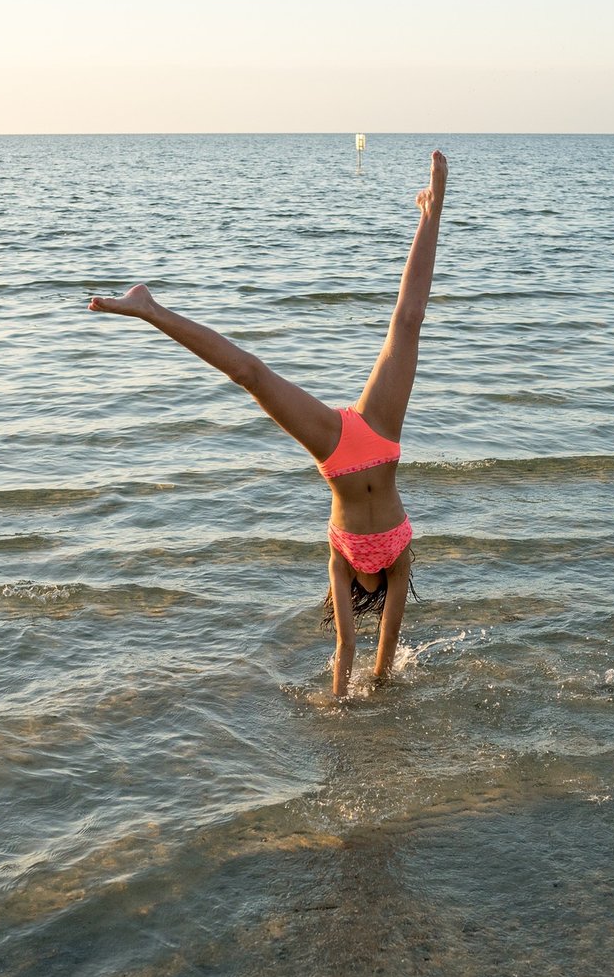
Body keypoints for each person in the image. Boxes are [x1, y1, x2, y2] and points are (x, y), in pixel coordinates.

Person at [89, 150, 447, 699]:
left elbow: (375, 654)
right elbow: (355, 651)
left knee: (257, 375)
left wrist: (351, 702)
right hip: (375, 439)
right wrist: (346, 706)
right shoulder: (395, 563)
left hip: (343, 452)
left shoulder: (343, 564)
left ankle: (150, 309)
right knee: (402, 324)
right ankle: (150, 308)